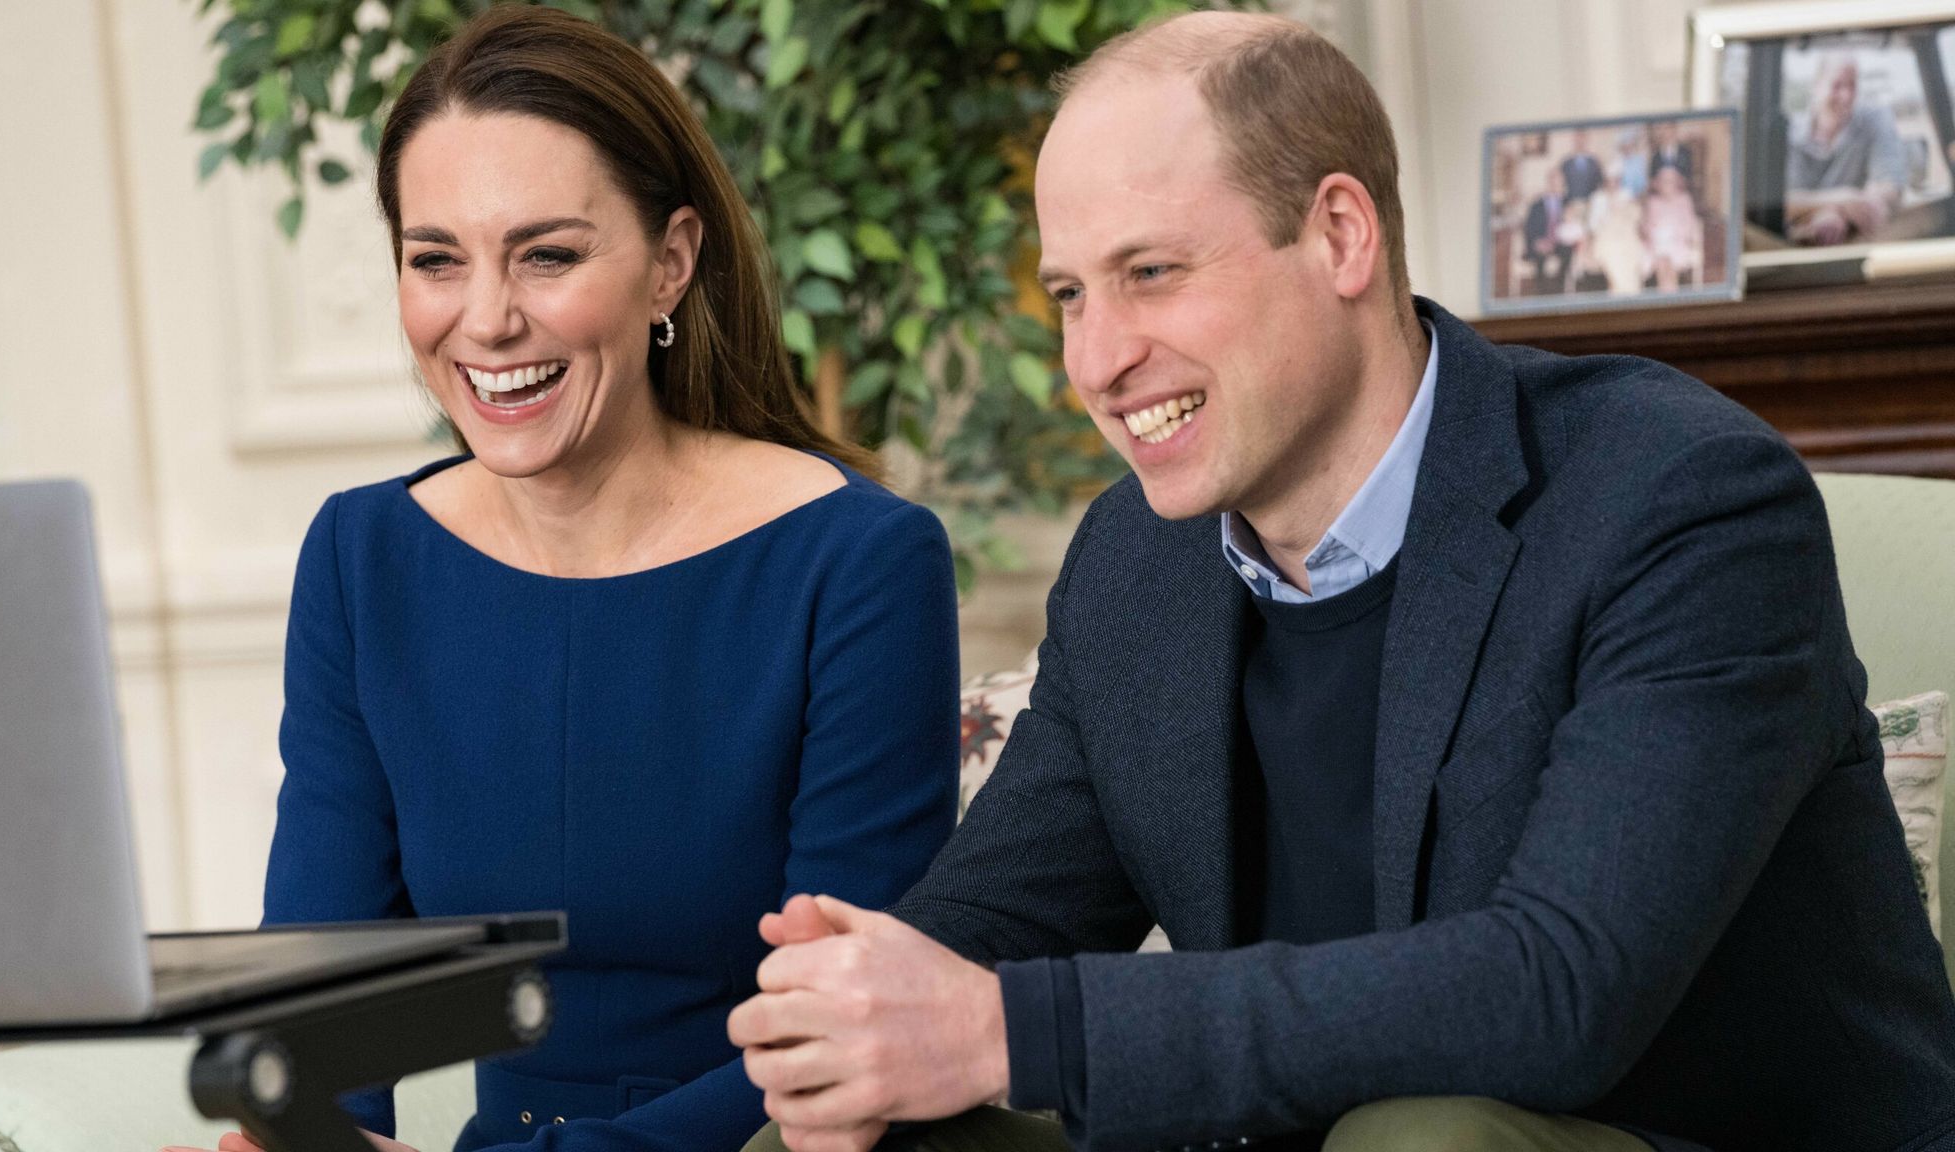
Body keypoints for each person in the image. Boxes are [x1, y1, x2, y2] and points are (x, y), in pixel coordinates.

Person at [728, 11, 1955, 1152]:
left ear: (1337, 234)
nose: (1094, 361)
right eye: (1068, 295)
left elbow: (1559, 990)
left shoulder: (1678, 501)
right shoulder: (1133, 564)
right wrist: (851, 1003)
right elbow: (993, 929)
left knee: (1420, 1136)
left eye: (1149, 273)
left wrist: (1013, 1030)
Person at [168, 8, 960, 1152]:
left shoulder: (857, 562)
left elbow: (838, 1039)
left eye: (547, 254)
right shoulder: (361, 557)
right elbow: (321, 1010)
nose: (486, 319)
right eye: (435, 259)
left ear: (669, 263)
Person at [1786, 52, 1908, 246]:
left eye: (1852, 85)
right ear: (1816, 86)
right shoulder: (1788, 133)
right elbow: (1780, 203)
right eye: (1837, 85)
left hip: (1857, 245)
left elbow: (1888, 185)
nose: (1847, 96)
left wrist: (1838, 212)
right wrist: (1841, 200)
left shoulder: (1875, 119)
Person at [1641, 162, 1703, 290]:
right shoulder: (1653, 201)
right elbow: (1646, 224)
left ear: (1677, 183)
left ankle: (1668, 295)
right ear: (1658, 184)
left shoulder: (1684, 199)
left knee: (1667, 264)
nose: (1667, 185)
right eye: (1664, 182)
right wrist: (1651, 232)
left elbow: (1690, 222)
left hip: (1678, 240)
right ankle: (1668, 295)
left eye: (1670, 181)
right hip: (1657, 242)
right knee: (1662, 262)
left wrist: (1687, 237)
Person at [1520, 166, 1575, 295]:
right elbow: (1529, 227)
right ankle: (1541, 293)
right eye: (1553, 181)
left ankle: (1559, 289)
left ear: (1563, 184)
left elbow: (1573, 227)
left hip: (1560, 242)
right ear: (1548, 182)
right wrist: (1537, 242)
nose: (1556, 185)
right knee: (1539, 258)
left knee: (1568, 252)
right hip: (1541, 242)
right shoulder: (1537, 204)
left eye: (1559, 182)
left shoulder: (1567, 202)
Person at [1558, 129, 1604, 204]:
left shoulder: (1595, 162)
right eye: (1578, 139)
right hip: (1571, 203)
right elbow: (1560, 185)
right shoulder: (1566, 163)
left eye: (1583, 139)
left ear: (1587, 140)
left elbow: (1600, 184)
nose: (1580, 142)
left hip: (1590, 203)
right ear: (1574, 140)